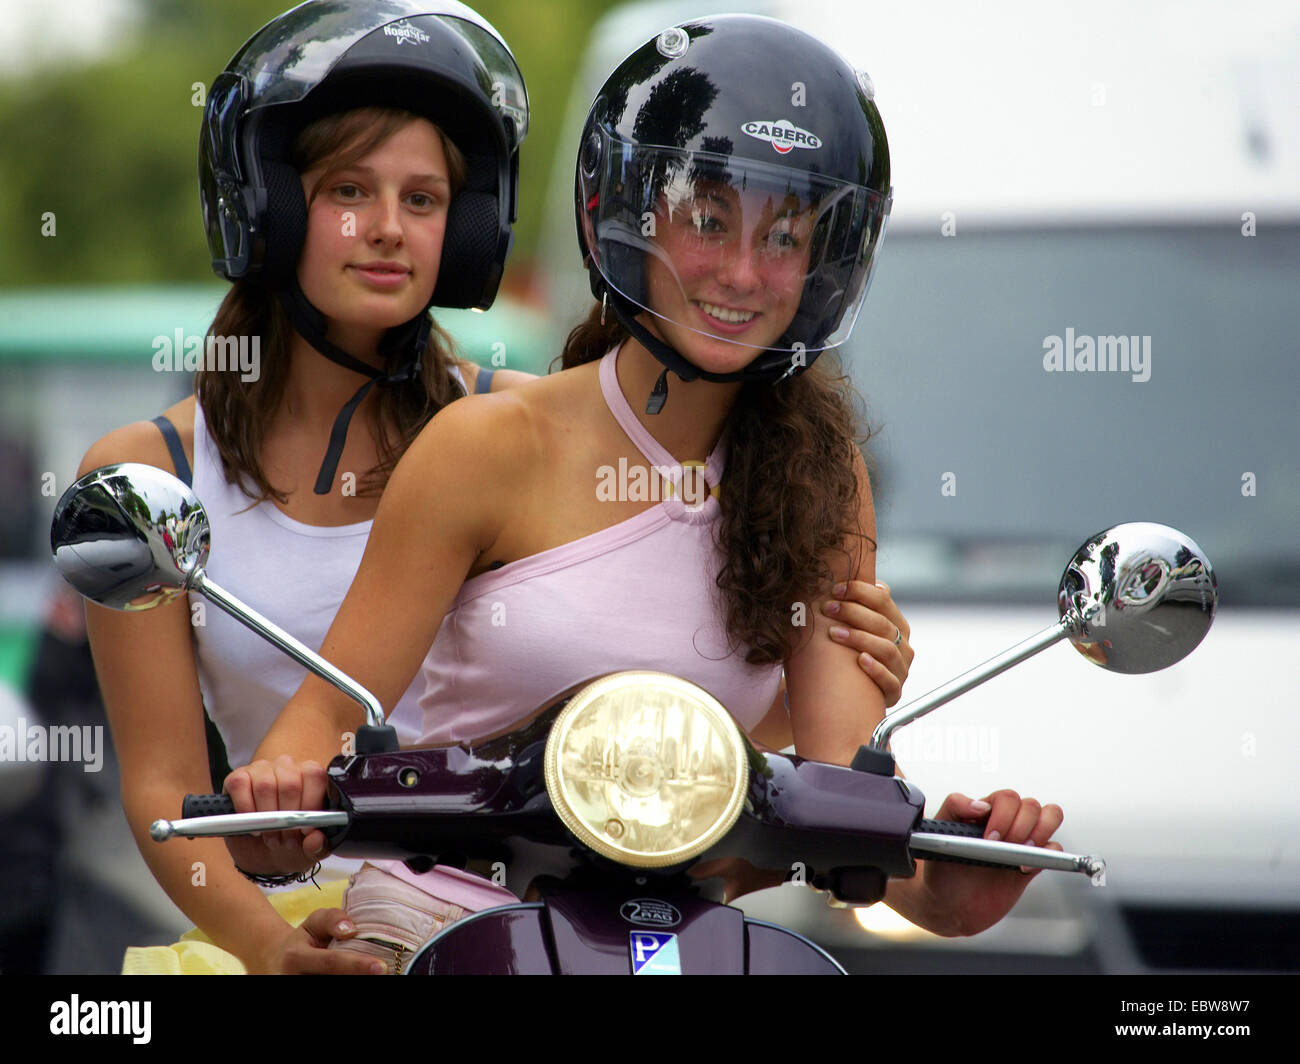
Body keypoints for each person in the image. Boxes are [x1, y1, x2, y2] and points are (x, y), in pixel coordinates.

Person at [72, 3, 910, 974]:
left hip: (597, 905)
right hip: (315, 893)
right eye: (349, 190)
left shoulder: (525, 424)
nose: (388, 229)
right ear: (275, 202)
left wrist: (841, 709)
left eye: (425, 200)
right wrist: (270, 945)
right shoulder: (165, 472)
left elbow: (687, 701)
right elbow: (172, 785)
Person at [227, 14, 1062, 947]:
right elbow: (319, 726)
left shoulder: (822, 476)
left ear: (824, 264)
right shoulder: (484, 445)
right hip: (450, 929)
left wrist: (949, 886)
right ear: (624, 216)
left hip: (684, 946)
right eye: (709, 221)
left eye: (785, 238)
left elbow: (840, 799)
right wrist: (277, 808)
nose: (744, 273)